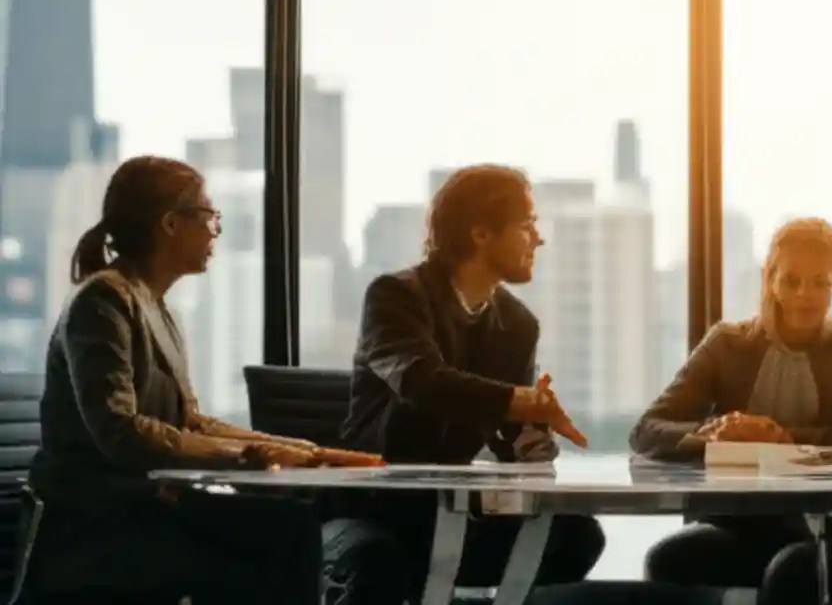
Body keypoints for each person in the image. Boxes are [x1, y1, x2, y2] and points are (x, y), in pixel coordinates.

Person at [27, 156, 324, 603]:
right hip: (98, 527)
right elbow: (120, 432)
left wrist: (289, 447)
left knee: (291, 523)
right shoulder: (102, 301)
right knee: (279, 539)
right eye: (210, 218)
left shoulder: (158, 308)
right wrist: (247, 455)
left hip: (145, 510)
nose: (215, 232)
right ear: (169, 223)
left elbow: (191, 422)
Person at [333, 164, 604, 604]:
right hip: (379, 509)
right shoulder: (395, 296)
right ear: (481, 233)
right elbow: (421, 381)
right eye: (527, 225)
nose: (539, 238)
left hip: (457, 512)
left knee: (576, 535)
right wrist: (521, 402)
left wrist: (529, 444)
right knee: (377, 561)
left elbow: (507, 436)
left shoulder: (518, 324)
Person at [632, 218, 832, 598]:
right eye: (791, 280)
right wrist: (716, 434)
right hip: (744, 524)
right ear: (769, 279)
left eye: (820, 282)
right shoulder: (727, 344)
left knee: (797, 570)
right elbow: (646, 430)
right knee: (668, 560)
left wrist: (786, 440)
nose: (805, 294)